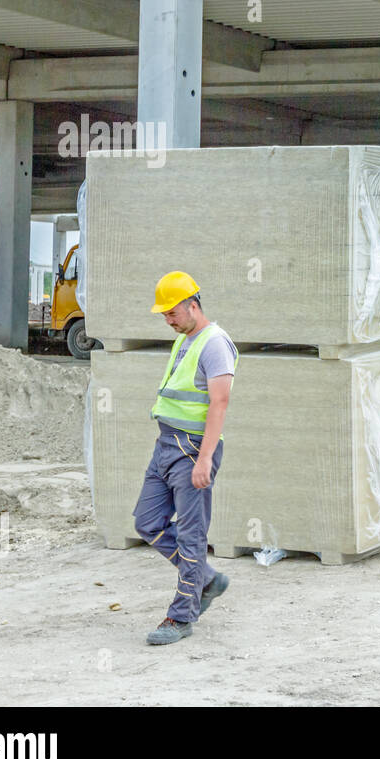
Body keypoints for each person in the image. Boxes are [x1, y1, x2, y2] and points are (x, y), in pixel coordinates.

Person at [134, 271, 239, 645]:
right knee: (147, 522)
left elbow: (219, 402)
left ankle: (181, 617)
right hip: (166, 444)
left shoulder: (214, 343)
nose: (167, 319)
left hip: (193, 449)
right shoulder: (186, 338)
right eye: (163, 314)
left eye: (172, 312)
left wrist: (205, 459)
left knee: (192, 535)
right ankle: (207, 580)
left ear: (192, 305)